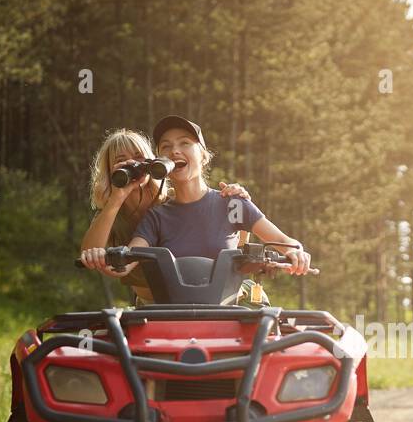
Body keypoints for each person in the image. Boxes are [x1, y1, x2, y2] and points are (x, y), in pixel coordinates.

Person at [80, 115, 310, 294]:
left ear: (203, 156)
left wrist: (297, 252)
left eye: (185, 143)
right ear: (160, 162)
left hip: (228, 313)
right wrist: (106, 258)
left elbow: (282, 241)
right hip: (172, 317)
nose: (175, 150)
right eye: (166, 147)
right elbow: (125, 262)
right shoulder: (156, 216)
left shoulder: (232, 203)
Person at [79, 128, 255, 303]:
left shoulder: (171, 201)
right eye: (121, 160)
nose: (131, 163)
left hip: (204, 297)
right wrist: (117, 198)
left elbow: (231, 242)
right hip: (153, 305)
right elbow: (89, 254)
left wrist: (240, 204)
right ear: (110, 172)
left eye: (138, 157)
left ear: (152, 162)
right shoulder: (111, 217)